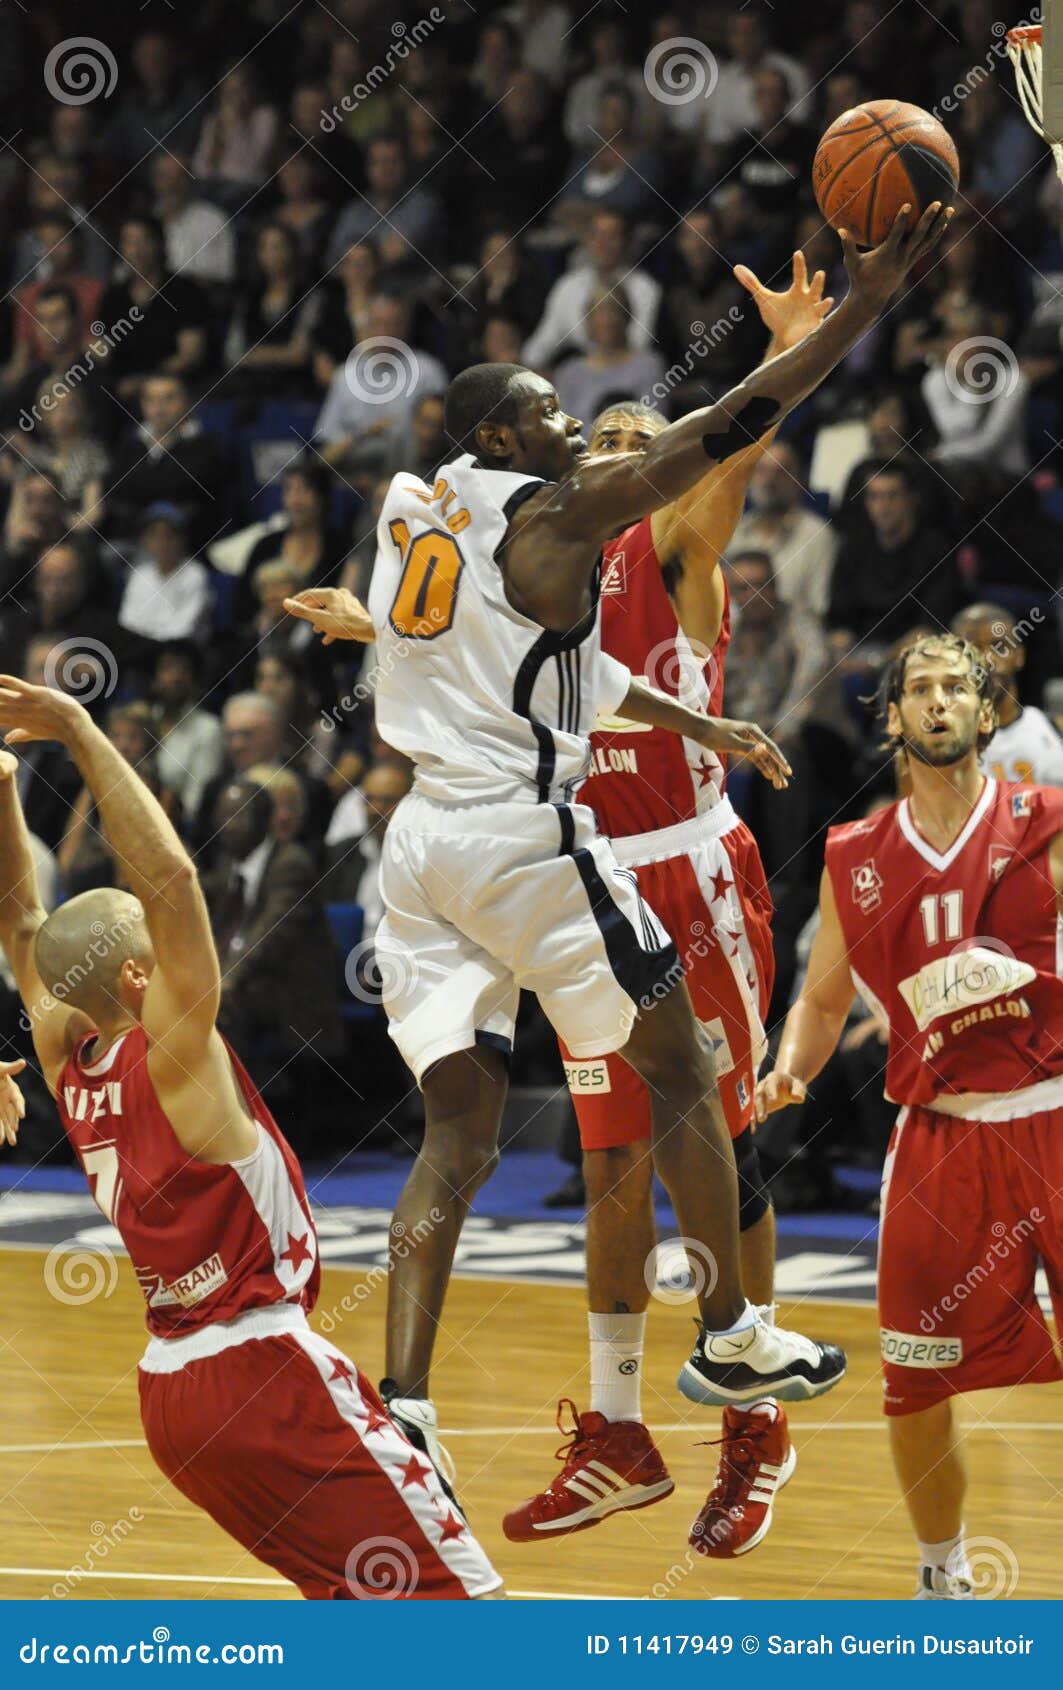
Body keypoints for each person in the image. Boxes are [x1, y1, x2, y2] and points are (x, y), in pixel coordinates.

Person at [287, 201, 950, 1501]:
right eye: (556, 415)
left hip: (444, 853)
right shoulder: (562, 520)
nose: (581, 426)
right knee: (665, 1092)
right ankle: (720, 1344)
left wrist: (371, 625)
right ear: (507, 438)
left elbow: (554, 616)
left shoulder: (420, 503)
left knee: (463, 1137)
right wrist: (861, 312)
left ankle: (409, 1404)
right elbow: (721, 423)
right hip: (539, 849)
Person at [0, 678, 501, 1600]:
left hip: (171, 1397)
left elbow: (21, 920)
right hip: (261, 1367)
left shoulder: (68, 1057)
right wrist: (73, 728)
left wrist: (0, 781)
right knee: (463, 1609)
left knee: (359, 1606)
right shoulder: (173, 1052)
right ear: (145, 968)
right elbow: (174, 878)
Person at [502, 255, 833, 1556]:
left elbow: (738, 442)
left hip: (692, 877)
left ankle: (752, 1426)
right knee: (608, 1168)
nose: (629, 455)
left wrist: (794, 347)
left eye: (650, 440)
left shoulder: (676, 539)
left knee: (722, 1153)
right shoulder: (541, 578)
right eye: (611, 440)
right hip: (590, 883)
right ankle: (619, 1429)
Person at [756, 632, 1063, 1600]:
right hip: (938, 1139)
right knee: (916, 1375)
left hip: (1052, 1112)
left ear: (988, 713)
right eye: (918, 689)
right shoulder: (855, 852)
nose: (936, 702)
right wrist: (788, 1070)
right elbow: (820, 999)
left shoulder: (1045, 819)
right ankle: (942, 1574)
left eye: (955, 689)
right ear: (891, 716)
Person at [951, 604, 1063, 786]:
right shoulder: (940, 745)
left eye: (999, 647)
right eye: (972, 649)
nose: (988, 659)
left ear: (1019, 656)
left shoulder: (1056, 729)